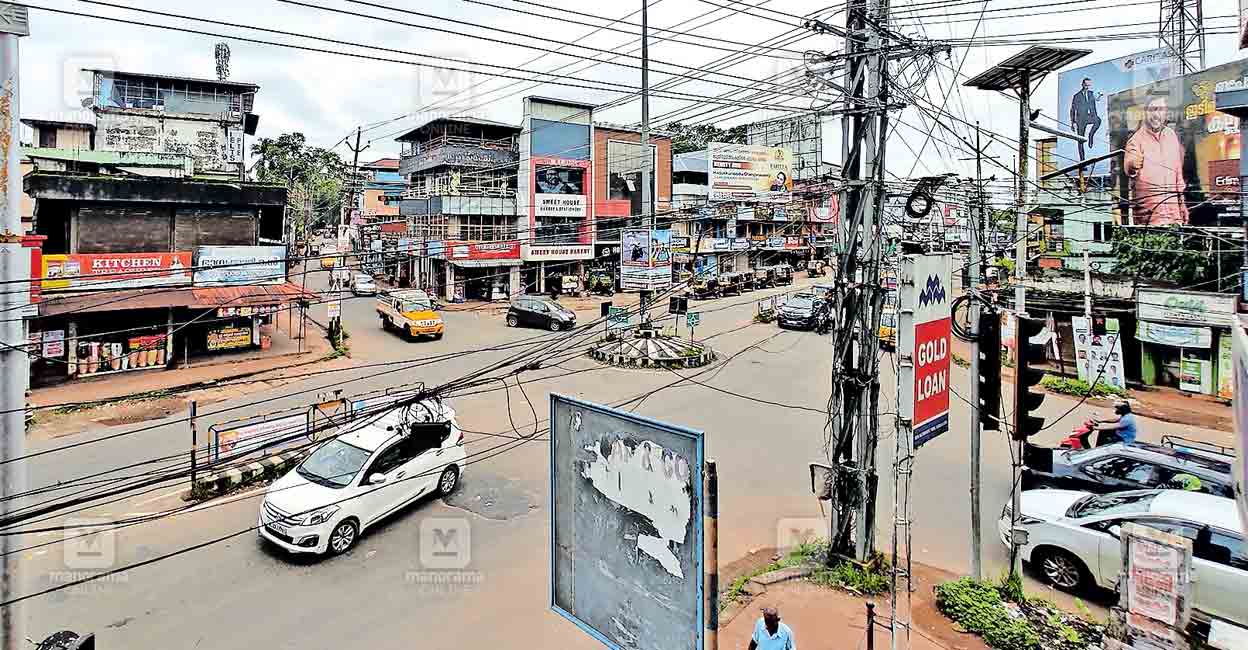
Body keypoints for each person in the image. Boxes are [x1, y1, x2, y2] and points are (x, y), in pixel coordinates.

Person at [1124, 91, 1189, 225]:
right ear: (1145, 112)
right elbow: (1129, 168)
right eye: (1152, 109)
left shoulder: (1171, 135)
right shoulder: (1136, 140)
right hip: (1149, 217)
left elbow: (1178, 175)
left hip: (1173, 214)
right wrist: (1132, 164)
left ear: (1165, 113)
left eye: (1161, 110)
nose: (1156, 114)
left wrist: (1182, 205)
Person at [1069, 77, 1103, 161]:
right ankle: (1082, 160)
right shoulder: (1077, 96)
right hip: (1080, 119)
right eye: (1086, 85)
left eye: (1089, 85)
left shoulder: (1091, 93)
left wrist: (1099, 96)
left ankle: (1091, 135)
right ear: (1082, 84)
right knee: (1080, 140)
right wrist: (1073, 122)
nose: (1087, 87)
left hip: (1089, 116)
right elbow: (1072, 109)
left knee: (1098, 120)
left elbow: (1096, 99)